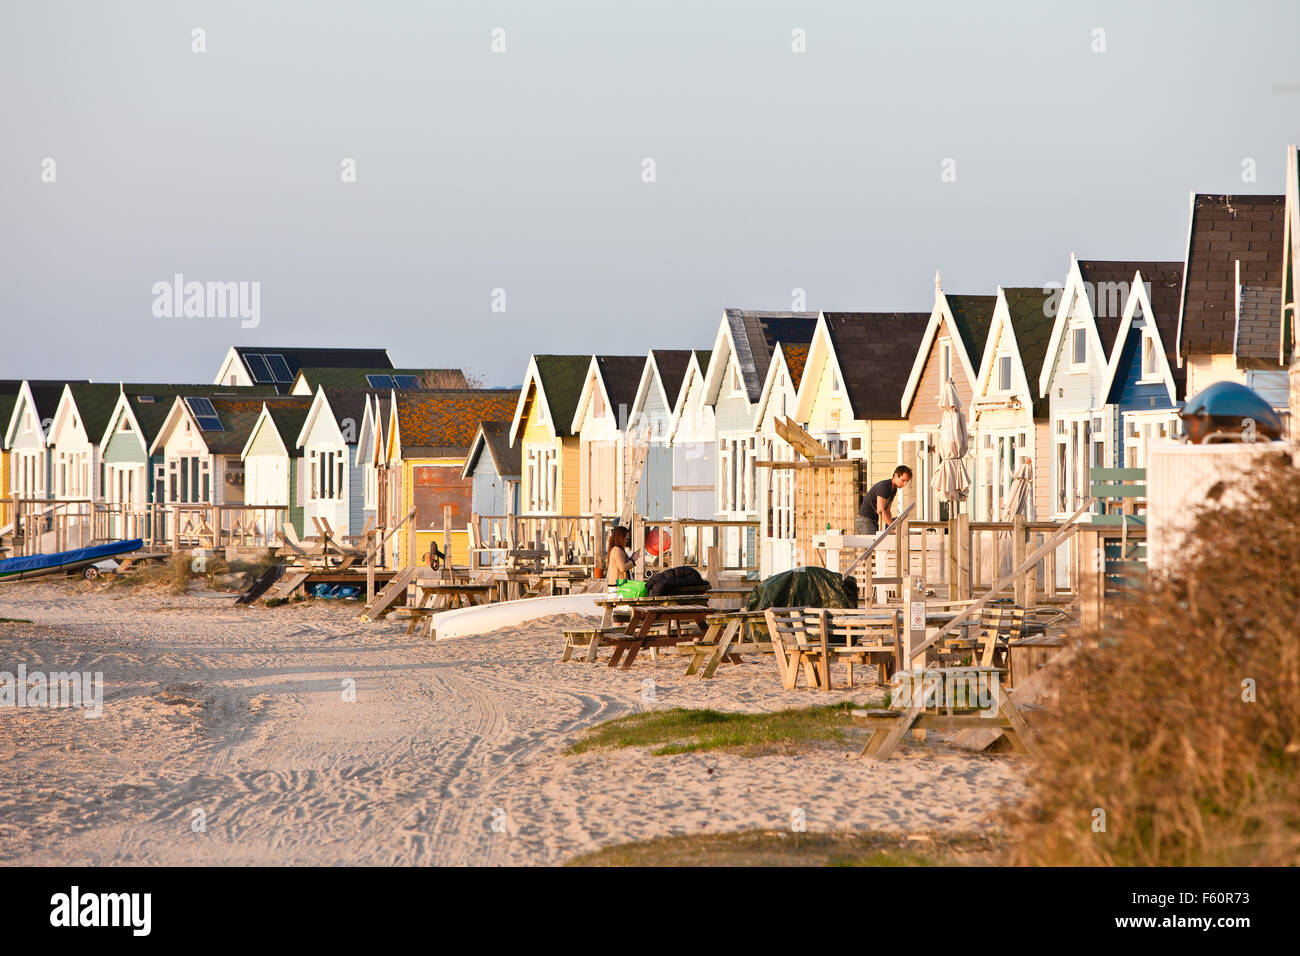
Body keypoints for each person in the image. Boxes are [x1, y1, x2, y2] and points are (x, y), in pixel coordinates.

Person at [857, 465, 912, 536]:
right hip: (865, 521)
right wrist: (893, 526)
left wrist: (891, 526)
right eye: (903, 480)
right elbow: (880, 510)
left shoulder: (893, 489)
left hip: (872, 521)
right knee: (873, 546)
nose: (905, 484)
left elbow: (887, 511)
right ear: (895, 476)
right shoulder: (884, 487)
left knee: (877, 545)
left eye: (906, 481)